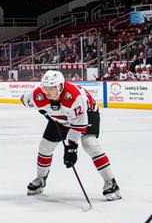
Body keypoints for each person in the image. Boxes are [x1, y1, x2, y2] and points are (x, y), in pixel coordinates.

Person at [23, 70, 120, 200]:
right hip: (61, 118)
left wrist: (71, 148)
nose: (47, 92)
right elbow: (24, 100)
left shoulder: (74, 97)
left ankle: (111, 182)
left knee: (89, 143)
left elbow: (78, 125)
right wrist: (44, 111)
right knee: (45, 146)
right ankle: (41, 179)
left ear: (60, 87)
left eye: (51, 89)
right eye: (44, 88)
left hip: (87, 114)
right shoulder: (39, 95)